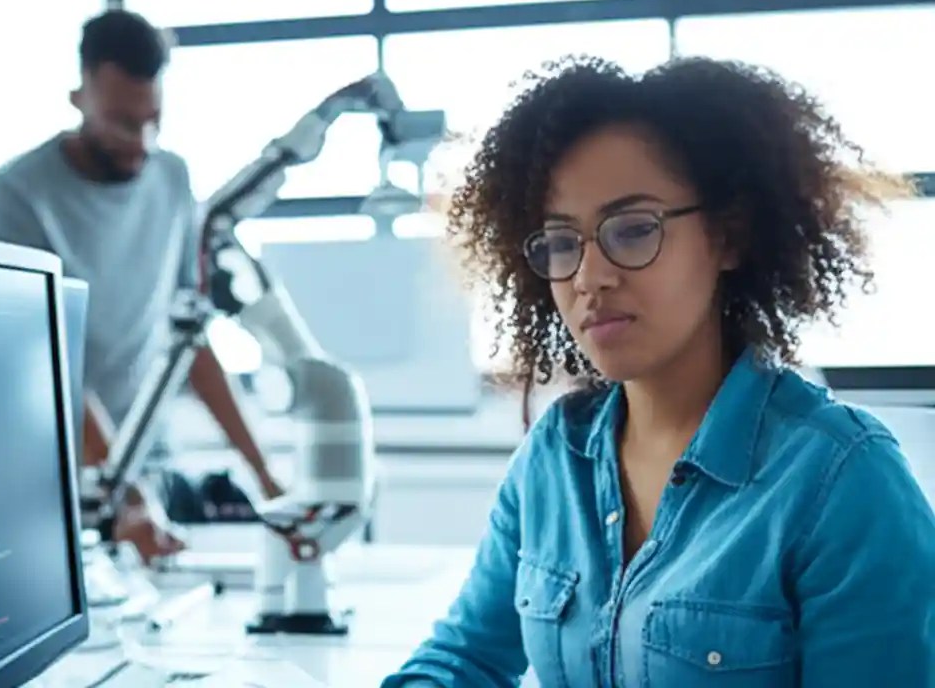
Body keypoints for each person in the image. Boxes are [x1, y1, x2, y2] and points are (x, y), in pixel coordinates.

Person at [383, 55, 935, 687]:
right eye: (563, 242)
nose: (590, 277)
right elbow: (466, 658)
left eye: (632, 229)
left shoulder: (841, 480)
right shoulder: (554, 461)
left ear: (728, 238)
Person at [0, 9, 283, 563]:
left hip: (146, 467)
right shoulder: (14, 196)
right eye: (122, 122)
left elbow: (189, 336)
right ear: (79, 94)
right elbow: (44, 360)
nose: (141, 142)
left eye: (152, 120)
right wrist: (123, 495)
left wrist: (267, 478)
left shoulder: (171, 179)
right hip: (50, 482)